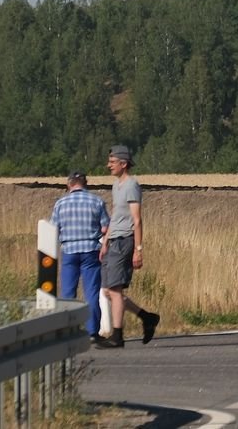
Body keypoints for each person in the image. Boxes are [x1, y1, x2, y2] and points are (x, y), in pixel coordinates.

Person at [100, 145, 160, 346]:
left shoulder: (131, 185)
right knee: (108, 291)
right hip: (113, 240)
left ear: (123, 164)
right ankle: (146, 317)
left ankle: (117, 336)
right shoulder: (116, 186)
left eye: (112, 161)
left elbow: (137, 219)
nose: (109, 165)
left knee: (115, 290)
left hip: (125, 240)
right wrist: (105, 241)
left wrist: (138, 249)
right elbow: (116, 215)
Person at [49, 170, 110, 343]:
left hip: (69, 250)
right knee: (91, 292)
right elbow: (106, 228)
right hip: (91, 250)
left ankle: (68, 330)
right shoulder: (97, 201)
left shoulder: (60, 203)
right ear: (85, 183)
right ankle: (92, 332)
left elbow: (53, 228)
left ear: (69, 184)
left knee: (68, 292)